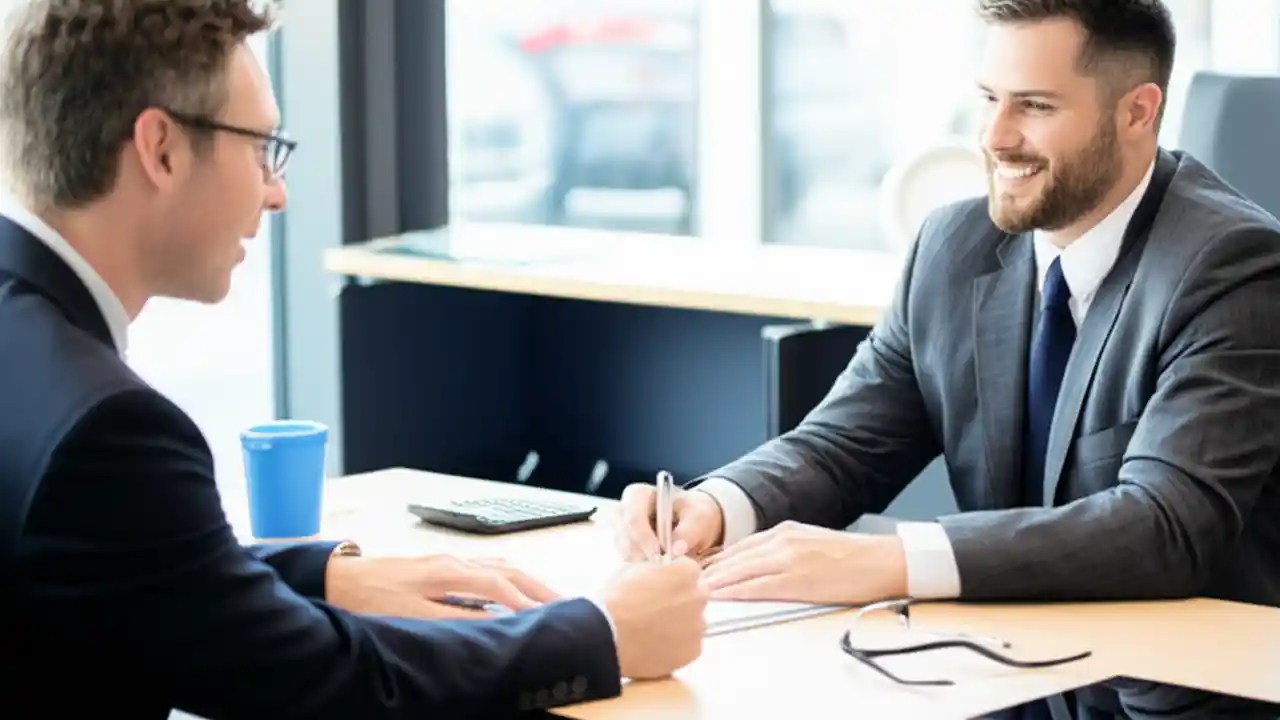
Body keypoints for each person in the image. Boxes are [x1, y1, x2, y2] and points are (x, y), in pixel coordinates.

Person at [0, 1, 708, 718]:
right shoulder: (109, 428)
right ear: (162, 150)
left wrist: (329, 578)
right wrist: (605, 634)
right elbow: (318, 680)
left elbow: (139, 572)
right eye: (259, 148)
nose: (276, 193)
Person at [615, 0, 1280, 716]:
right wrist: (717, 506)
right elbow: (845, 445)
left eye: (1034, 106)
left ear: (1137, 112)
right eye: (989, 99)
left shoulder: (1231, 265)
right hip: (1005, 674)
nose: (995, 137)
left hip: (1180, 693)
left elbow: (1163, 526)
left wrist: (890, 562)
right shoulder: (952, 247)